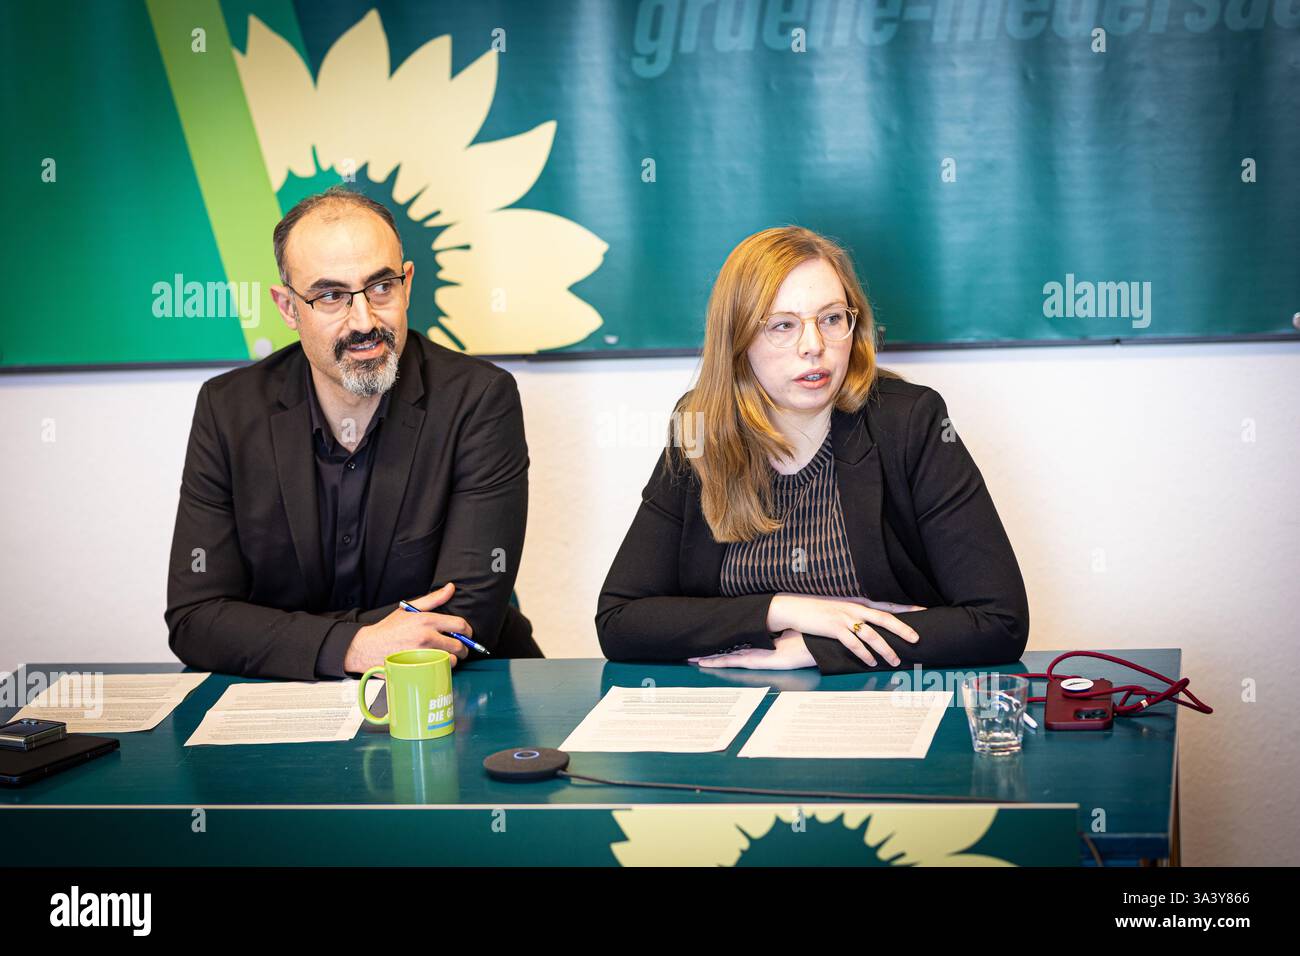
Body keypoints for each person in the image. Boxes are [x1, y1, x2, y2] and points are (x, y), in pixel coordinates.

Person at [596, 226, 1029, 674]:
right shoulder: (701, 425)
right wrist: (784, 610)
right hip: (739, 701)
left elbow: (1000, 622)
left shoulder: (908, 421)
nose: (814, 346)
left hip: (881, 700)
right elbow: (620, 621)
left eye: (831, 319)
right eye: (783, 325)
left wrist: (816, 648)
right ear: (737, 340)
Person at [165, 186, 540, 680]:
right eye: (331, 296)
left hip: (459, 691)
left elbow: (465, 619)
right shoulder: (228, 410)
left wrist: (279, 635)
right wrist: (353, 646)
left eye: (381, 287)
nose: (364, 321)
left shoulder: (479, 399)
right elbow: (196, 619)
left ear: (407, 284)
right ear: (288, 308)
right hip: (285, 705)